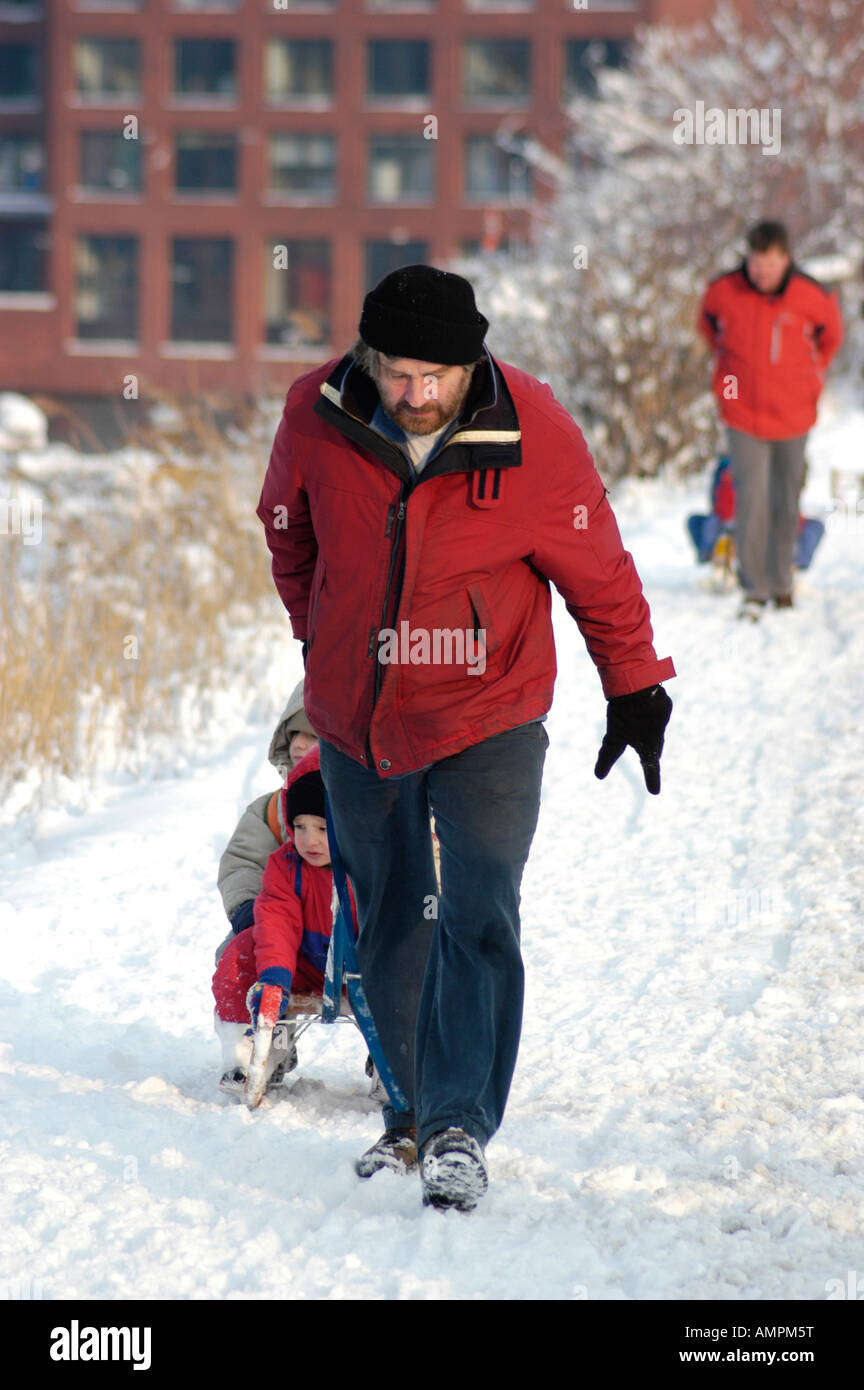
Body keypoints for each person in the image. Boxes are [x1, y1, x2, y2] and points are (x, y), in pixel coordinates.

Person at [257, 263, 675, 1210]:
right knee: (393, 909)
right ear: (370, 358)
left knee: (478, 908)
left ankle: (456, 1131)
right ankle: (406, 1116)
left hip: (490, 712)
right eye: (397, 374)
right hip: (361, 715)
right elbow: (290, 533)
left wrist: (635, 683)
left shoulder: (532, 430)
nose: (414, 395)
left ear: (470, 362)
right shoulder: (316, 414)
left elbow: (596, 563)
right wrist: (319, 631)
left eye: (433, 378)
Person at [698, 220, 843, 620]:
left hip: (794, 414)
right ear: (748, 257)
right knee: (750, 498)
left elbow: (830, 338)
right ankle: (754, 588)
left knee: (786, 499)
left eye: (770, 264)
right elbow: (707, 326)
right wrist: (725, 377)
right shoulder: (723, 290)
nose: (761, 272)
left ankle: (782, 583)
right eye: (755, 263)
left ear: (786, 259)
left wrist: (813, 377)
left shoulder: (812, 295)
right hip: (741, 413)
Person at [211, 749, 359, 1096]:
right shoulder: (286, 865)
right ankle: (246, 1048)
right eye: (299, 827)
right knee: (240, 953)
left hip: (365, 969)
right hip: (303, 963)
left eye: (322, 828)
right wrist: (274, 976)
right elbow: (277, 921)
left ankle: (398, 1058)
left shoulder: (367, 866)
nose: (309, 840)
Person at [215, 679, 318, 963]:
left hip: (352, 933)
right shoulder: (271, 810)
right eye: (293, 733)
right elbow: (242, 862)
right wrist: (247, 909)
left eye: (311, 735)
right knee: (235, 958)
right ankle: (247, 1007)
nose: (298, 744)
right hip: (282, 928)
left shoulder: (364, 809)